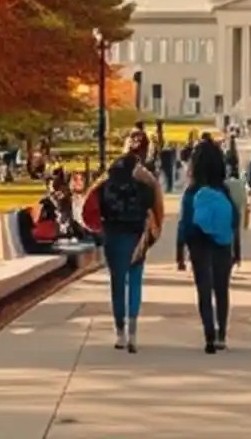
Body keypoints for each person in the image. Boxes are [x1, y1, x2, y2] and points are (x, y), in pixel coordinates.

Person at [89, 129, 165, 353]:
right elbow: (157, 208)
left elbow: (93, 199)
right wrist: (154, 232)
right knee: (134, 281)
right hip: (137, 234)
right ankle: (132, 331)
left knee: (117, 283)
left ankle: (119, 332)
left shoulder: (109, 174)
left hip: (112, 233)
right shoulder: (146, 178)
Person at [176, 139, 239, 354]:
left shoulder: (192, 192)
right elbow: (234, 220)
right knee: (221, 289)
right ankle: (222, 334)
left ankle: (209, 334)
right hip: (222, 243)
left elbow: (184, 222)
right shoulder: (224, 190)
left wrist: (180, 251)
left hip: (198, 242)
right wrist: (236, 249)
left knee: (204, 289)